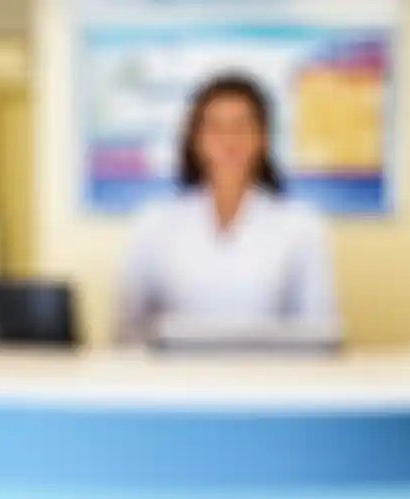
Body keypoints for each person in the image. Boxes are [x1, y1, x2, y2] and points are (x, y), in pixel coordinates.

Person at [117, 74, 338, 343]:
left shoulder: (301, 226)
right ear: (195, 140)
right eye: (215, 127)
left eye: (242, 126)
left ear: (263, 138)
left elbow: (320, 331)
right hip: (174, 380)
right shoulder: (154, 223)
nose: (229, 140)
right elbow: (127, 332)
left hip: (271, 378)